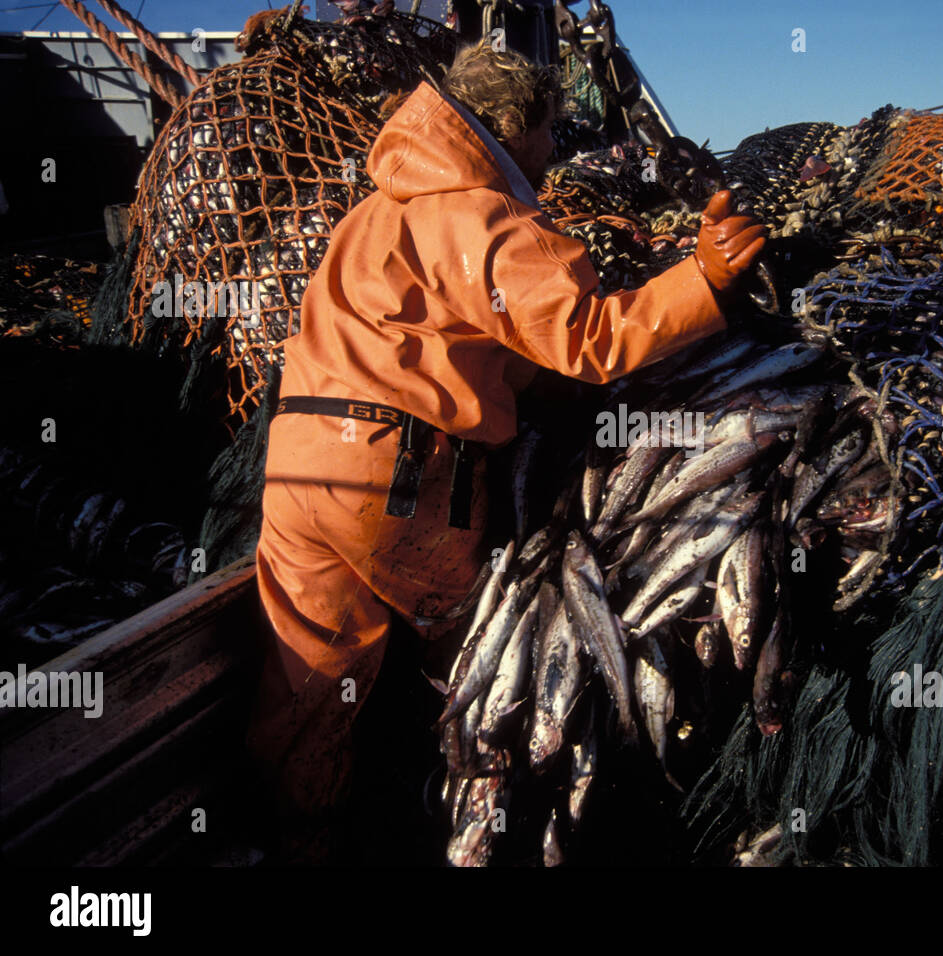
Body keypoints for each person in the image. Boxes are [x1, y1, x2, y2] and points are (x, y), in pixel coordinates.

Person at [247, 41, 766, 859]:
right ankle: (454, 825)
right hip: (400, 483)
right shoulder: (485, 213)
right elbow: (592, 336)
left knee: (310, 673)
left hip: (298, 465)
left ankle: (296, 831)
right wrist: (701, 280)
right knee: (478, 657)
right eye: (550, 130)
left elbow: (460, 335)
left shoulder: (376, 209)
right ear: (516, 127)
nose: (552, 150)